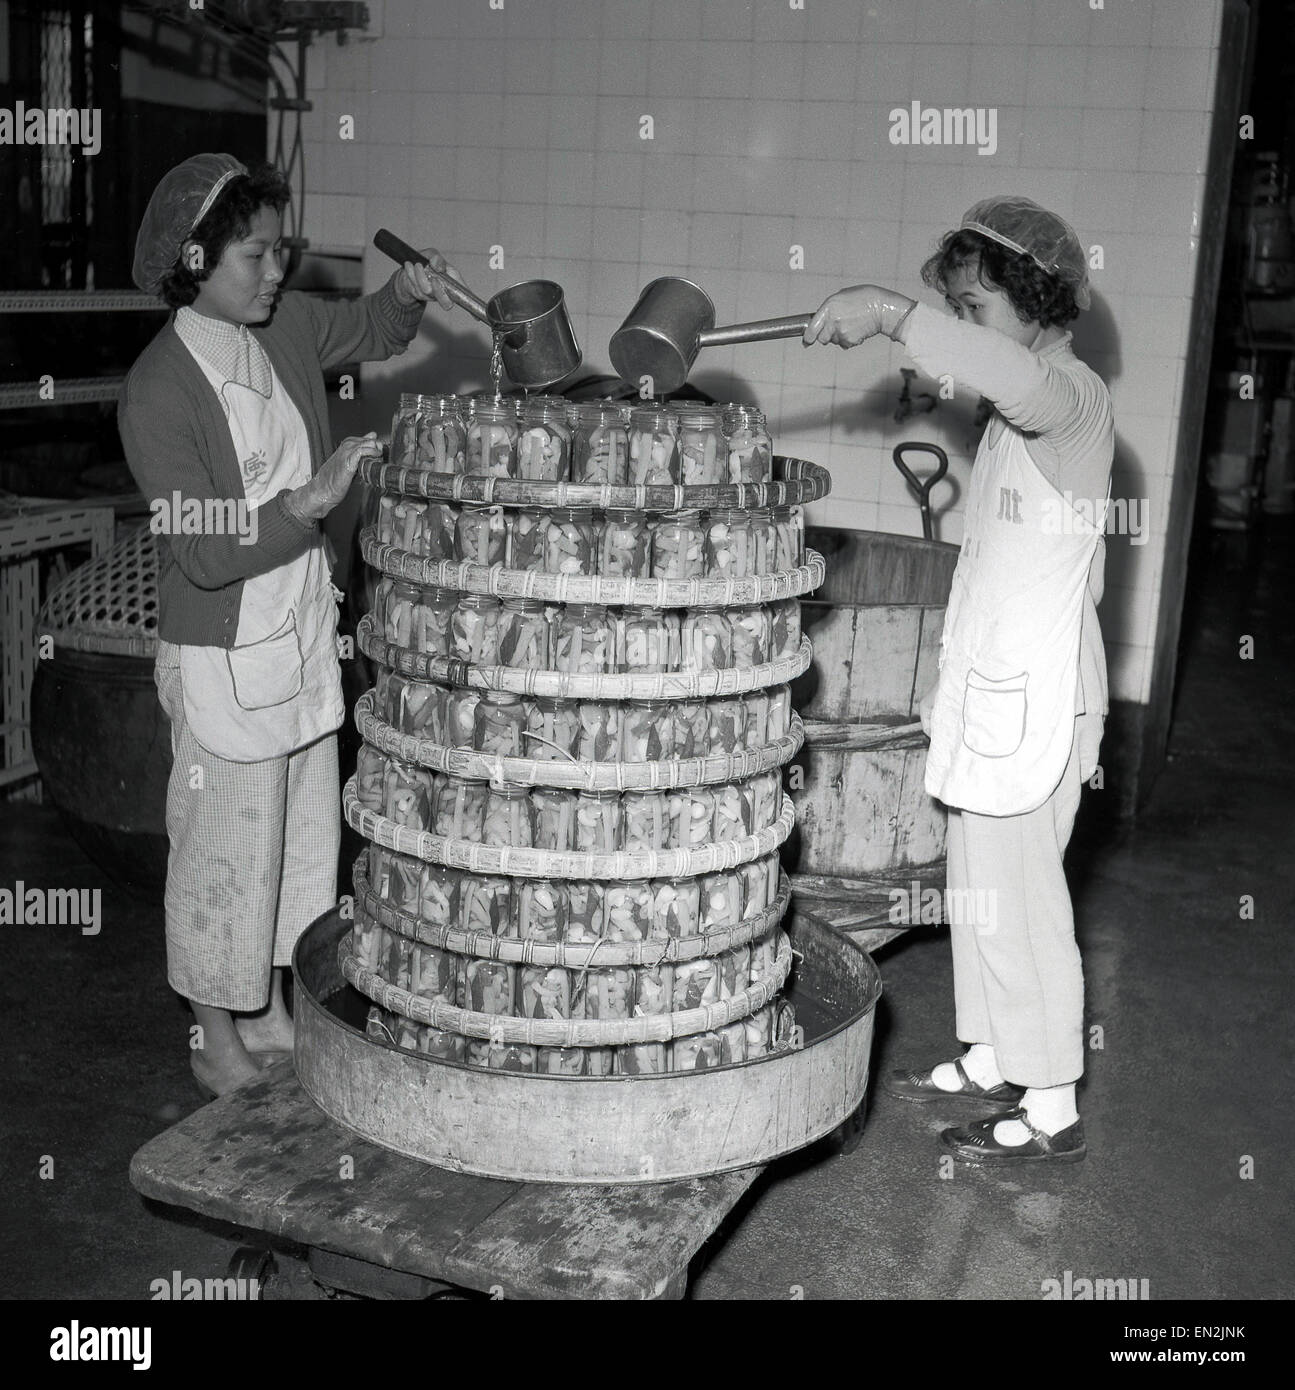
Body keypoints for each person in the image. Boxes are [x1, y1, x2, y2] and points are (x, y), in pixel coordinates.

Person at [120, 153, 459, 1098]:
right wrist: (311, 498)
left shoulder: (283, 328)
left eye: (284, 250)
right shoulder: (158, 388)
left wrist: (408, 290)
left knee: (295, 847)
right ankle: (213, 1038)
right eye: (257, 255)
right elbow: (201, 550)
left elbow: (372, 329)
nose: (279, 272)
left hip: (302, 637)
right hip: (222, 654)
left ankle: (268, 1008)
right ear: (196, 261)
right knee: (223, 855)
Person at [803, 196, 1112, 1165]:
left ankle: (1050, 1098)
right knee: (977, 888)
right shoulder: (1011, 417)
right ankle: (990, 1055)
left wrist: (895, 313)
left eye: (975, 306)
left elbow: (1016, 378)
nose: (966, 327)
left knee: (1024, 901)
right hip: (992, 695)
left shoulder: (1071, 399)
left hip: (1043, 707)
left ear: (1032, 299)